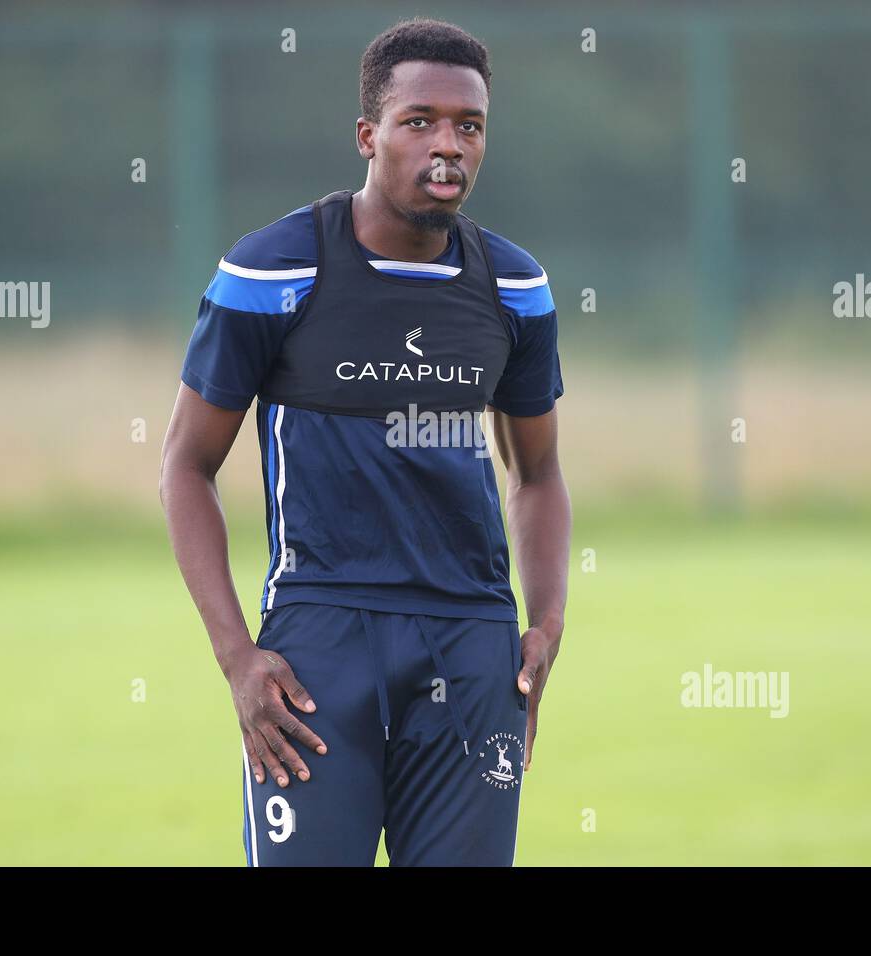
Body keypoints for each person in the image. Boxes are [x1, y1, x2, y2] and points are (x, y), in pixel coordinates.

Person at [160, 17, 570, 866]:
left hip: (470, 639)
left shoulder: (516, 287)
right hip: (316, 650)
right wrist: (238, 657)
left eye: (469, 124)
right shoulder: (272, 271)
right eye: (419, 121)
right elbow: (186, 467)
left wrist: (546, 620)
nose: (446, 145)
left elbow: (538, 473)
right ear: (367, 135)